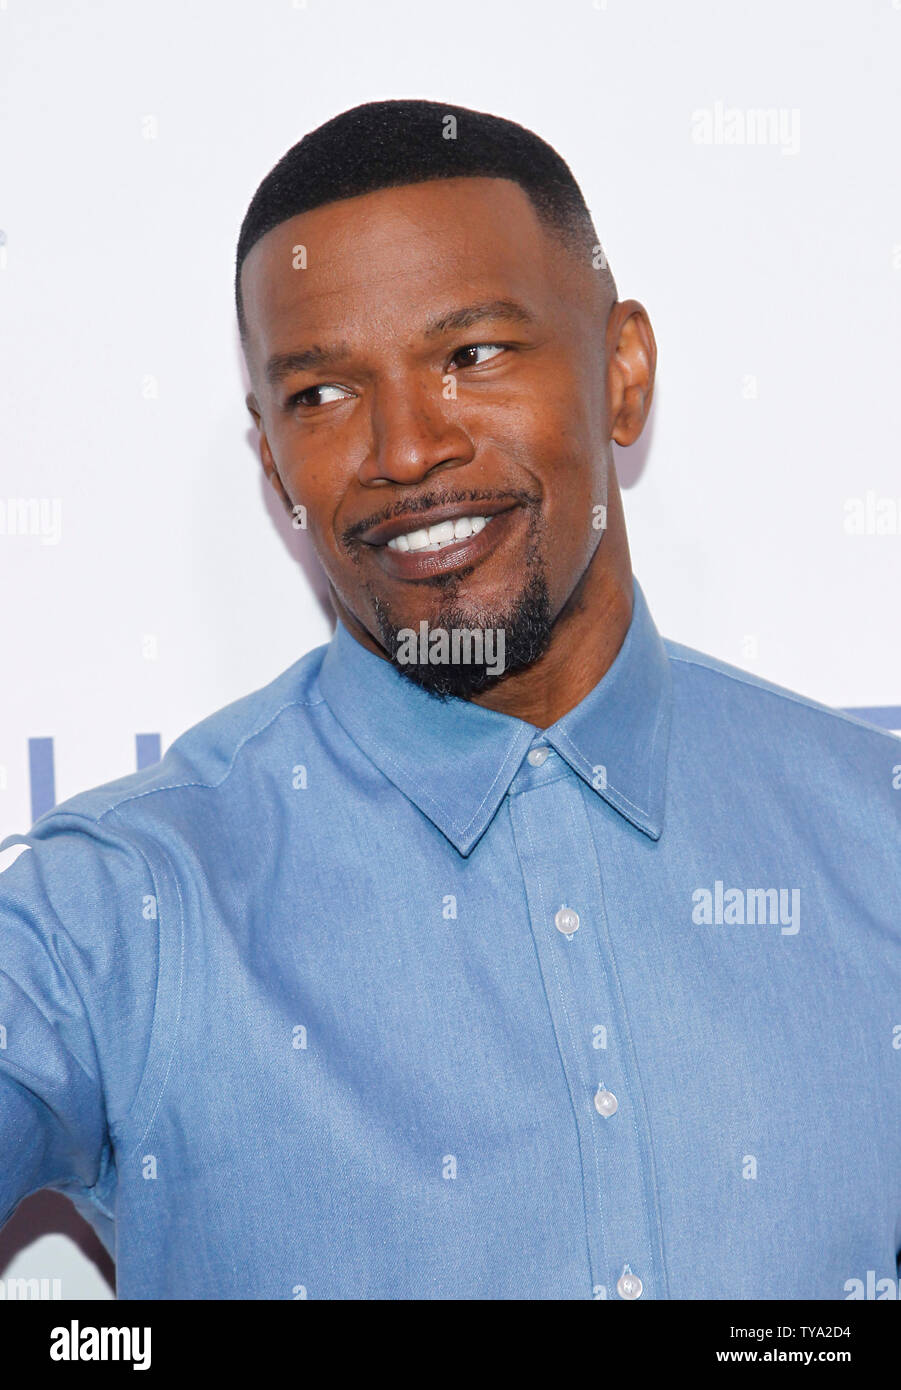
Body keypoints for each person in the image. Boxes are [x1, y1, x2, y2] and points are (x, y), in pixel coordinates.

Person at [1, 99, 899, 1301]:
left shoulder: (873, 831)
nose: (408, 449)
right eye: (321, 394)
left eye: (472, 355)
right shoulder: (120, 901)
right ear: (271, 462)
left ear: (621, 373)